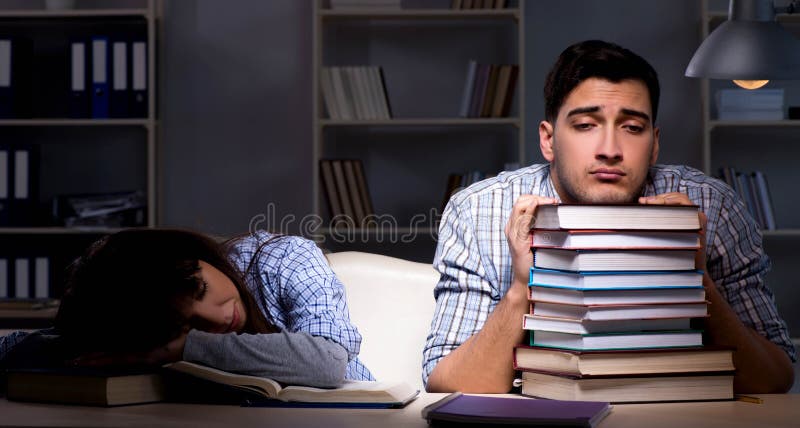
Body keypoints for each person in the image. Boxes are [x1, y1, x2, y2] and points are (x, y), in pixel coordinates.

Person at [423, 40, 796, 394]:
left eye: (632, 128)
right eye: (586, 125)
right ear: (548, 140)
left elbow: (774, 378)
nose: (610, 150)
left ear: (654, 144)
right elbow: (446, 380)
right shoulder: (478, 211)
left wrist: (697, 281)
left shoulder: (712, 207)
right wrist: (522, 288)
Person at [0, 228, 373, 388]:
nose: (218, 317)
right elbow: (18, 348)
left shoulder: (284, 259)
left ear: (196, 255)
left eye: (200, 289)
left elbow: (328, 359)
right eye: (187, 325)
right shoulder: (140, 336)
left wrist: (182, 346)